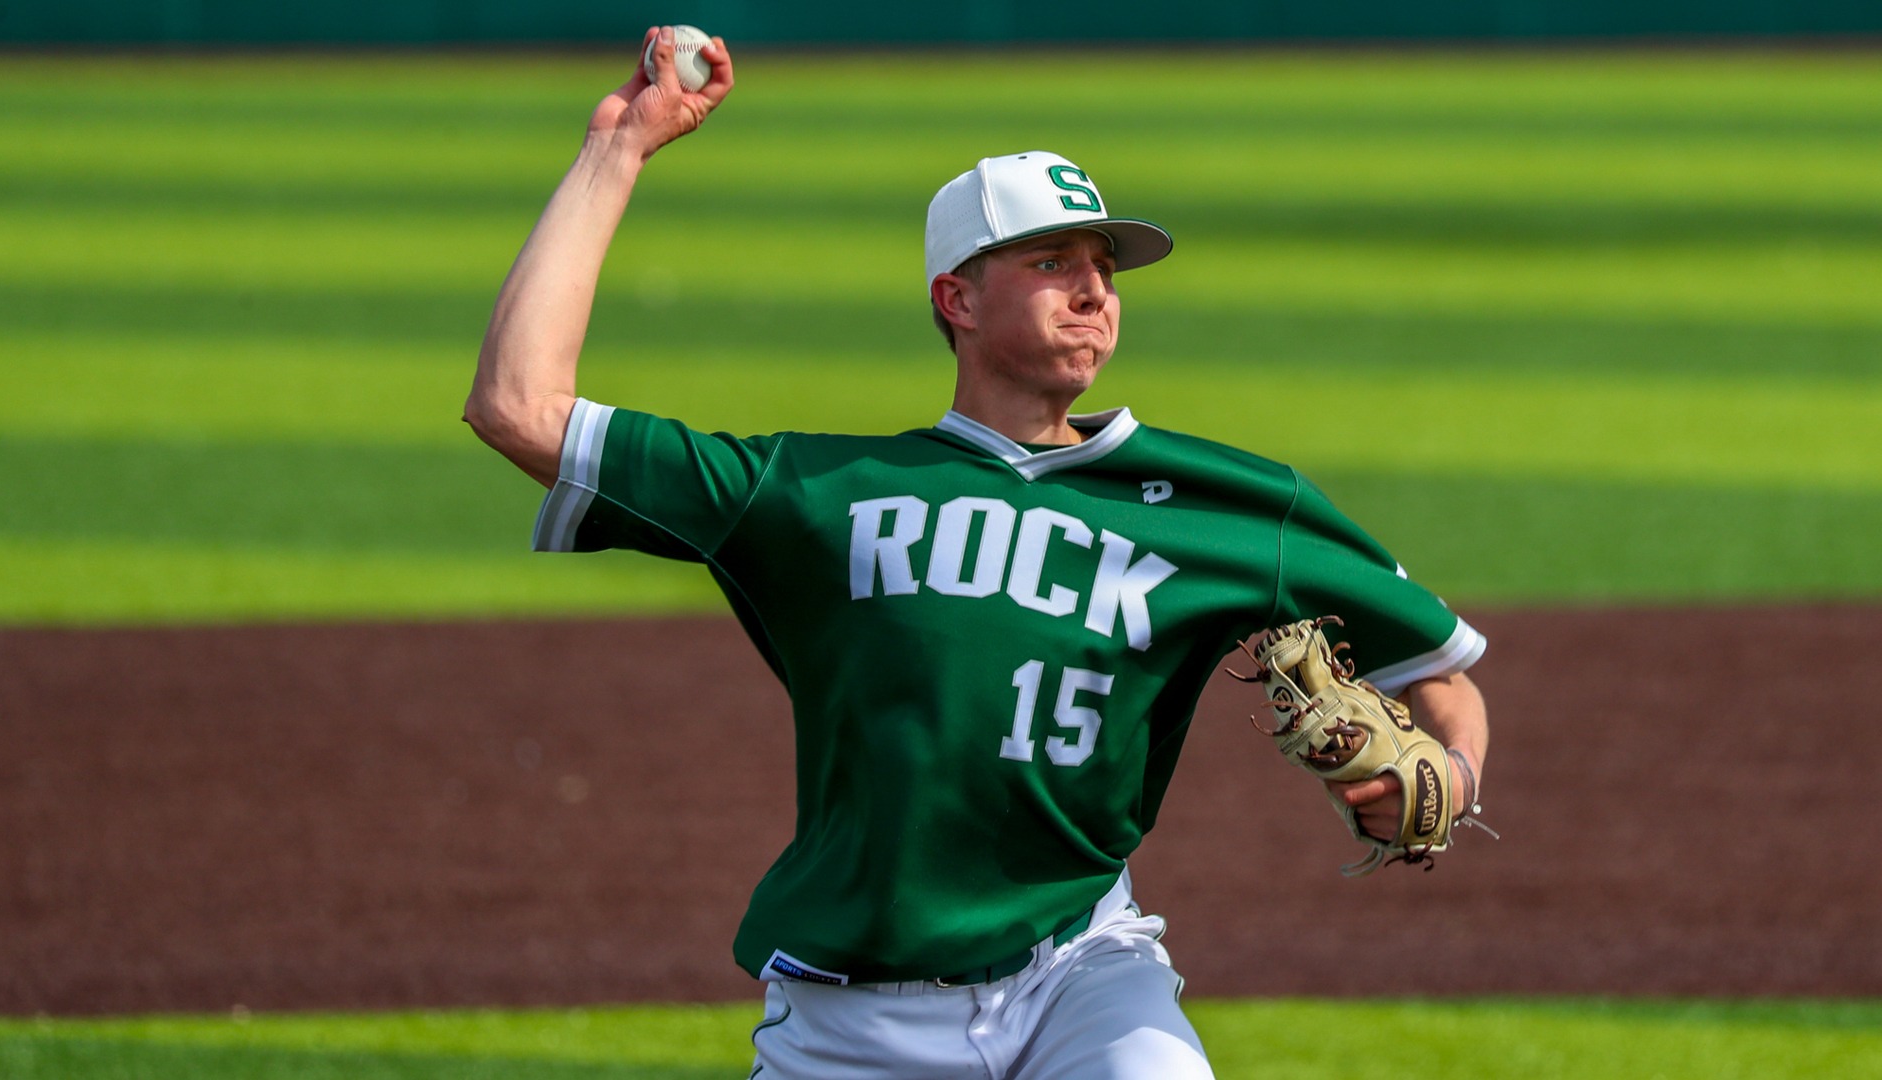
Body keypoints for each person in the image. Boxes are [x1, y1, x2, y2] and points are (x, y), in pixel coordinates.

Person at [466, 27, 1490, 1079]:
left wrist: (1448, 781)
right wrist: (616, 151)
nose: (1094, 291)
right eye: (1052, 264)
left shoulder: (1229, 502)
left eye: (1104, 268)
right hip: (848, 1014)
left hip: (1084, 974)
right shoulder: (817, 495)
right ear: (956, 299)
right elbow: (516, 408)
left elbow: (1440, 670)